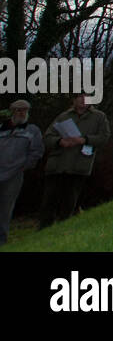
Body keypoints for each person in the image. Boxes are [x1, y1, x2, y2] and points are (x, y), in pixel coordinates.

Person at [39, 93, 109, 228]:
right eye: (80, 97)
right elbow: (47, 137)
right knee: (49, 201)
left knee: (69, 202)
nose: (83, 100)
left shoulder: (99, 117)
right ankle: (43, 231)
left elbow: (104, 137)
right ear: (74, 100)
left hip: (78, 165)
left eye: (87, 97)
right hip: (57, 165)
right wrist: (60, 141)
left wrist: (85, 140)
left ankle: (63, 231)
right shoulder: (63, 116)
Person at [0, 99, 43, 244]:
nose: (21, 113)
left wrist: (24, 166)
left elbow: (37, 151)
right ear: (12, 111)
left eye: (25, 110)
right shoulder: (1, 128)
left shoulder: (32, 130)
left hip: (14, 175)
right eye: (18, 110)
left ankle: (2, 241)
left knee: (5, 209)